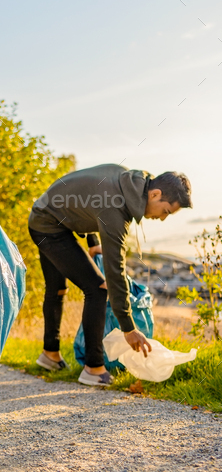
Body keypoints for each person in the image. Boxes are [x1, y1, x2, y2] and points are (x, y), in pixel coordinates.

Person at [28, 164, 192, 385]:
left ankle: (50, 356)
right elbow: (116, 272)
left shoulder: (125, 178)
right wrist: (128, 328)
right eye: (166, 211)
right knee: (98, 288)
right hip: (48, 226)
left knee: (58, 289)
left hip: (47, 214)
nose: (162, 218)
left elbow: (84, 194)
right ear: (155, 194)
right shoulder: (117, 211)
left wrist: (92, 240)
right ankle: (93, 368)